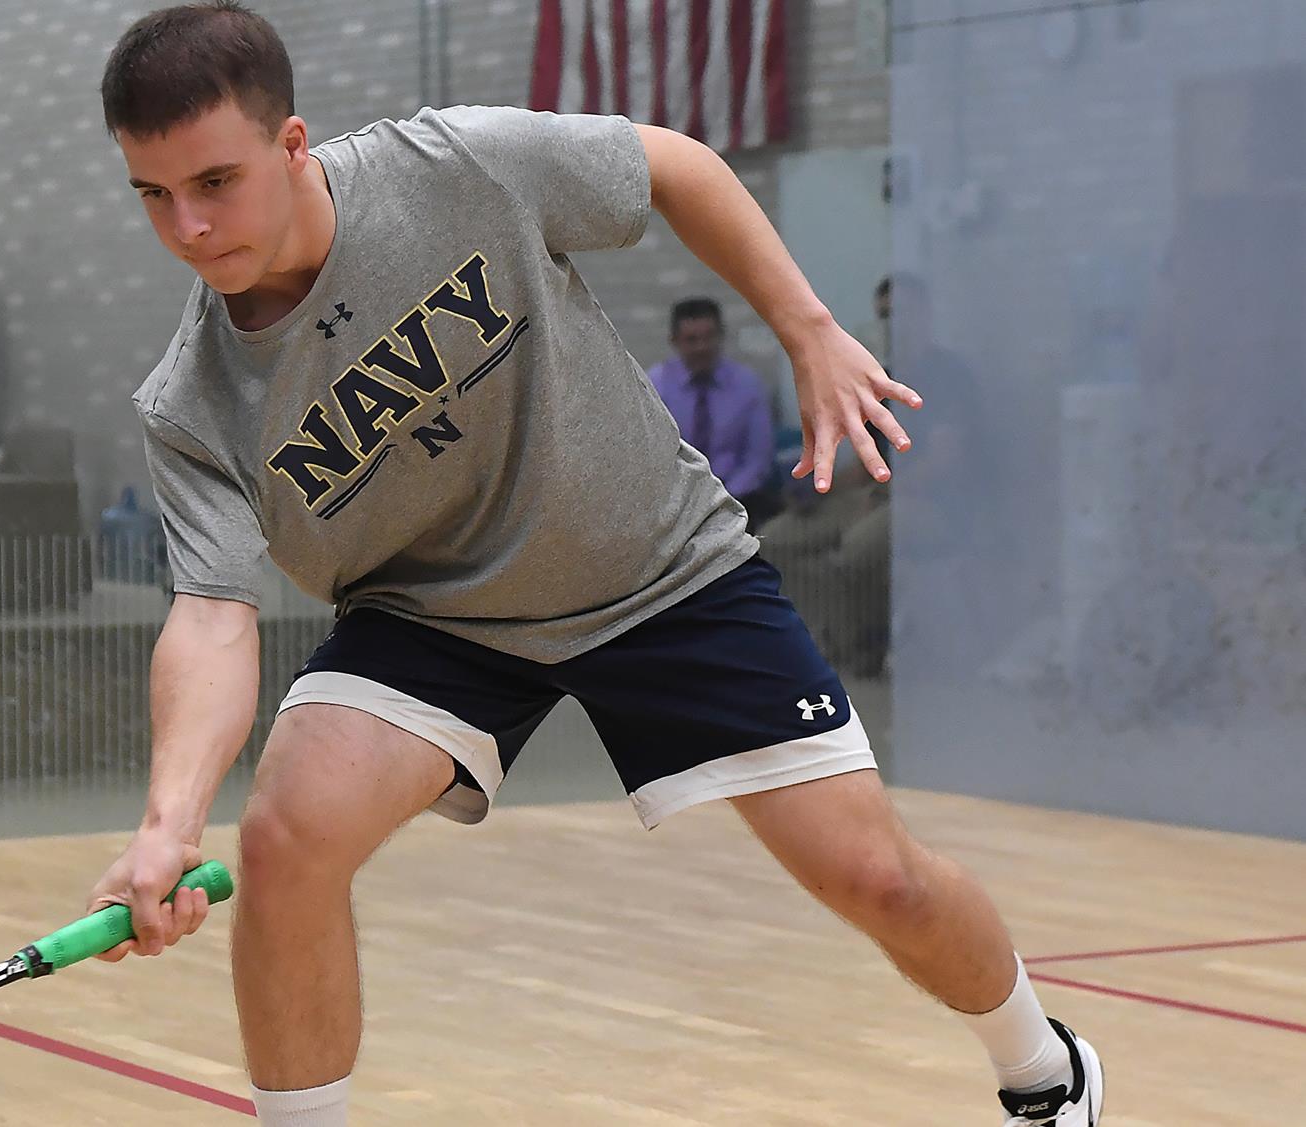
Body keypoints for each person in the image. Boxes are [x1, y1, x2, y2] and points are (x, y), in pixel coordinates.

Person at [84, 5, 1104, 1126]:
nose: (185, 225)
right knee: (284, 835)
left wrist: (808, 327)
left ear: (291, 145)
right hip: (432, 615)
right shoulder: (192, 401)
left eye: (213, 183)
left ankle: (1045, 1069)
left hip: (659, 569)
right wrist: (167, 826)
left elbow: (667, 164)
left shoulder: (453, 166)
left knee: (878, 878)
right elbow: (213, 614)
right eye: (152, 195)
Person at [647, 297, 782, 529]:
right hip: (673, 504)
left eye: (708, 338)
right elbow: (651, 455)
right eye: (692, 340)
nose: (702, 347)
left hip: (738, 502)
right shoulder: (655, 386)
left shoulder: (746, 385)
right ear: (674, 341)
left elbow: (757, 459)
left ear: (721, 336)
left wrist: (723, 500)